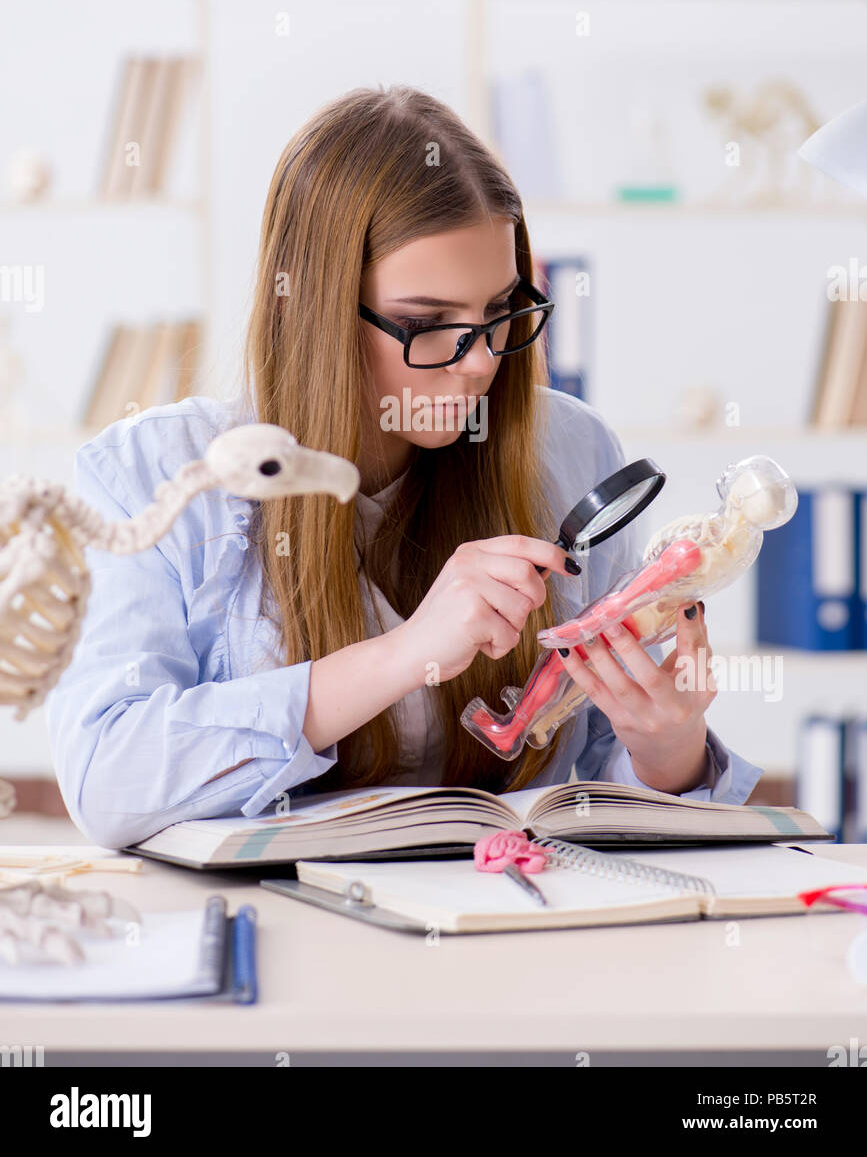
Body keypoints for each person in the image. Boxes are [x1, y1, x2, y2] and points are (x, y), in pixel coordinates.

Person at [46, 85, 763, 850]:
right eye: (427, 324)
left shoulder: (571, 448)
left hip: (507, 925)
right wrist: (402, 655)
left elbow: (590, 774)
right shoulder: (158, 472)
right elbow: (107, 780)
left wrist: (666, 747)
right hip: (275, 928)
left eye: (500, 311)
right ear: (311, 308)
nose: (483, 362)